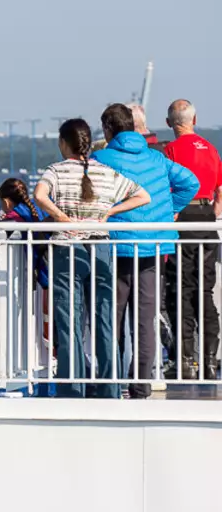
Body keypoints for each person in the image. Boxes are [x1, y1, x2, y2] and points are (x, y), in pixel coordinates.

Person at [35, 118, 150, 398]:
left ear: (64, 143)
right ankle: (109, 387)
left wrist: (62, 218)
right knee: (104, 319)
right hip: (100, 249)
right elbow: (143, 196)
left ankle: (71, 386)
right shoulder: (106, 172)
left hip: (67, 248)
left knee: (69, 319)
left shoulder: (56, 171)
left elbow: (39, 195)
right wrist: (107, 213)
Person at [92, 103, 198, 398]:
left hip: (117, 247)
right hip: (152, 247)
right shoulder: (157, 158)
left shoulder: (101, 158)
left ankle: (109, 382)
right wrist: (170, 212)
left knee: (111, 318)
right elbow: (191, 182)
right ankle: (140, 385)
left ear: (108, 129)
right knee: (145, 320)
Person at [162, 99, 222, 379]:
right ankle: (210, 360)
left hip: (183, 219)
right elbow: (220, 191)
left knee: (179, 289)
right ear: (194, 120)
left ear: (168, 123)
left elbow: (167, 186)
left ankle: (185, 360)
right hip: (207, 220)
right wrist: (212, 212)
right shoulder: (210, 149)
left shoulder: (171, 150)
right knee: (205, 291)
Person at [0, 178, 51, 288]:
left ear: (6, 202)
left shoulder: (15, 215)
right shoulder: (40, 205)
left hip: (44, 267)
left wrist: (1, 221)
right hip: (58, 259)